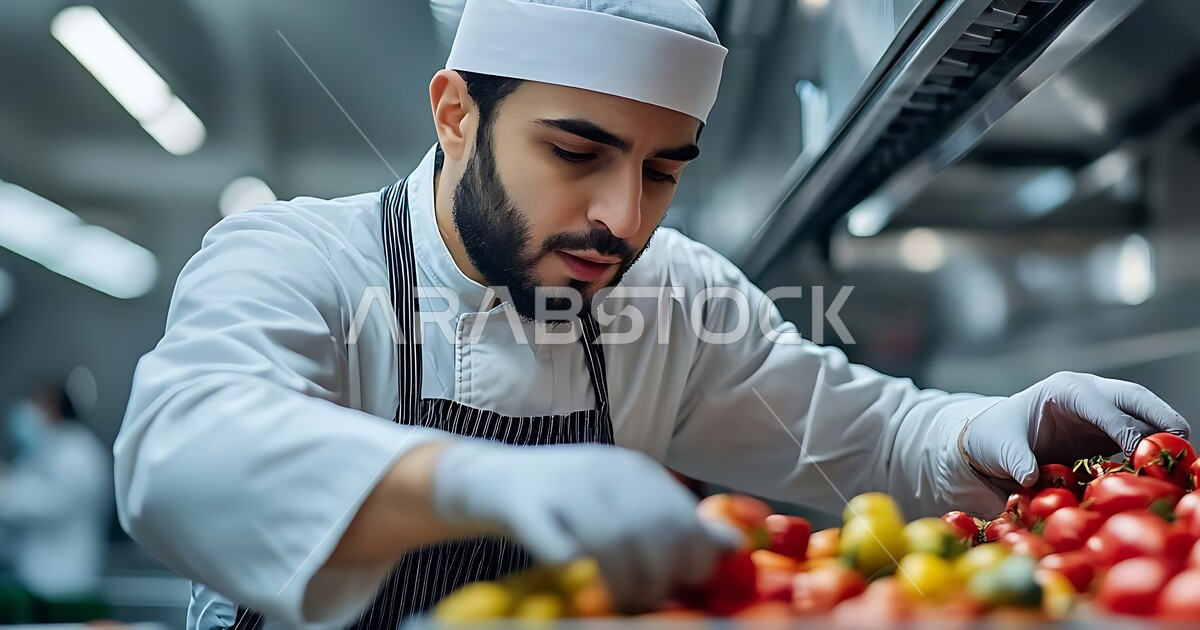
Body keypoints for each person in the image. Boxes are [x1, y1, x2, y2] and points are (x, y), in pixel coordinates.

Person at [112, 1, 1191, 628]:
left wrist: (1002, 423)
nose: (619, 220)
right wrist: (475, 481)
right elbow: (179, 452)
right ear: (455, 115)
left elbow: (867, 439)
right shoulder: (299, 258)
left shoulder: (672, 293)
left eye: (662, 171)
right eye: (576, 154)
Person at [0, 383, 111, 623]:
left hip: (65, 581)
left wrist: (7, 489)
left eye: (37, 402)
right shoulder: (45, 448)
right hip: (39, 579)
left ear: (55, 406)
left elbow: (55, 502)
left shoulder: (76, 451)